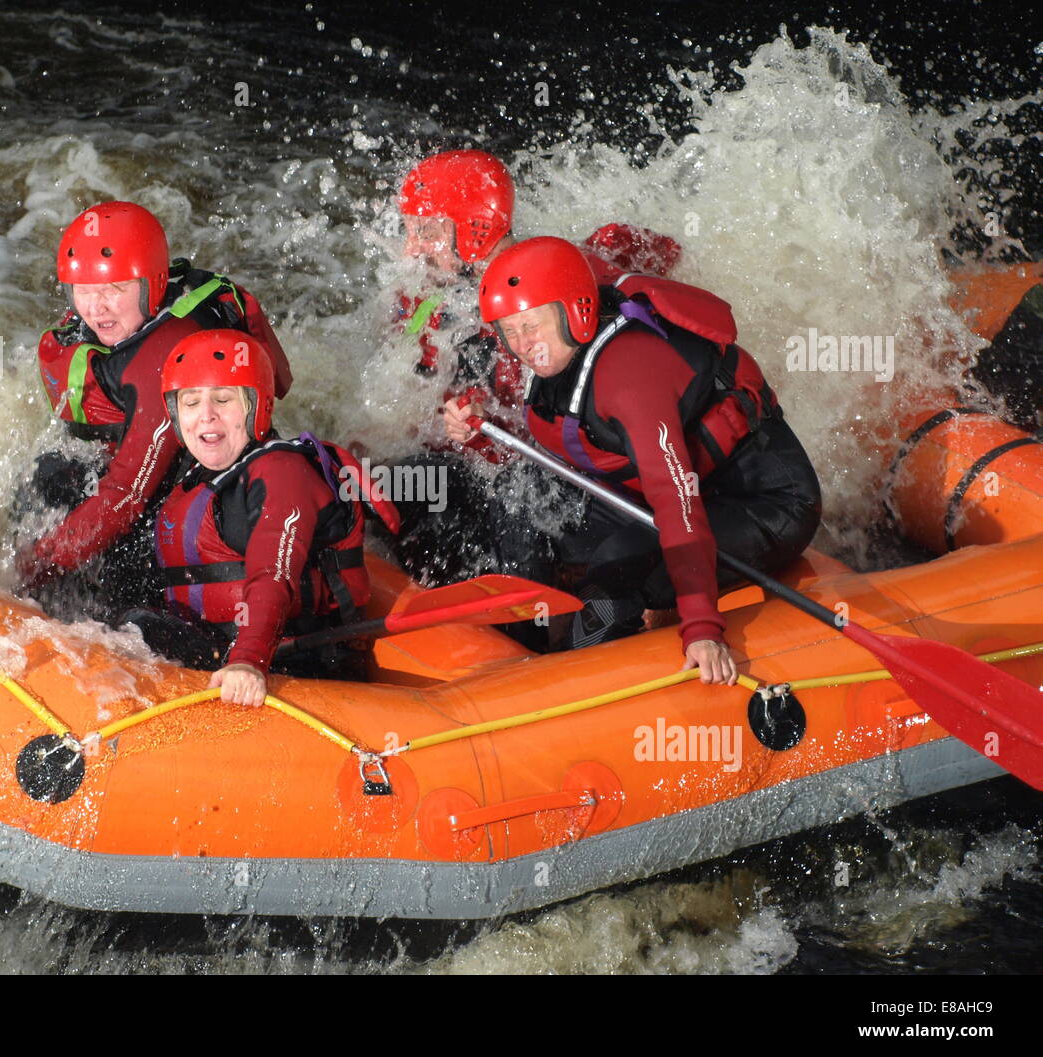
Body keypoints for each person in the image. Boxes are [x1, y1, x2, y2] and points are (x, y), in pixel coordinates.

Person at [445, 236, 822, 684]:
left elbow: (677, 500)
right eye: (509, 331)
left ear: (575, 312)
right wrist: (483, 436)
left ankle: (574, 683)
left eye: (531, 326)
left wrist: (701, 626)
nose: (523, 344)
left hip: (760, 502)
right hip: (651, 490)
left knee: (612, 573)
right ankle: (524, 652)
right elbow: (576, 445)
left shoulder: (629, 379)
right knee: (518, 494)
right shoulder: (556, 357)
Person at [390, 149, 683, 588]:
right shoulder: (441, 306)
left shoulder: (568, 286)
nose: (411, 249)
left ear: (474, 231)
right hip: (521, 475)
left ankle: (532, 632)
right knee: (396, 481)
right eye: (410, 231)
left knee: (518, 489)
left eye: (427, 230)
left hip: (600, 492)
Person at [15, 201, 292, 618]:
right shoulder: (178, 300)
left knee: (52, 484)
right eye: (83, 291)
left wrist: (38, 563)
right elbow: (282, 380)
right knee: (55, 468)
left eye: (114, 289)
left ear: (154, 282)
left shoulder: (162, 356)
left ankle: (85, 620)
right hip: (214, 474)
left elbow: (125, 499)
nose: (95, 308)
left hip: (206, 517)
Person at [128, 329, 400, 706]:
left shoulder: (282, 471)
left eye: (223, 400)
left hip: (297, 661)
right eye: (190, 403)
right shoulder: (198, 474)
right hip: (214, 640)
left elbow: (275, 575)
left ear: (258, 406)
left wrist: (249, 660)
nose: (205, 416)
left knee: (136, 628)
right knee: (127, 619)